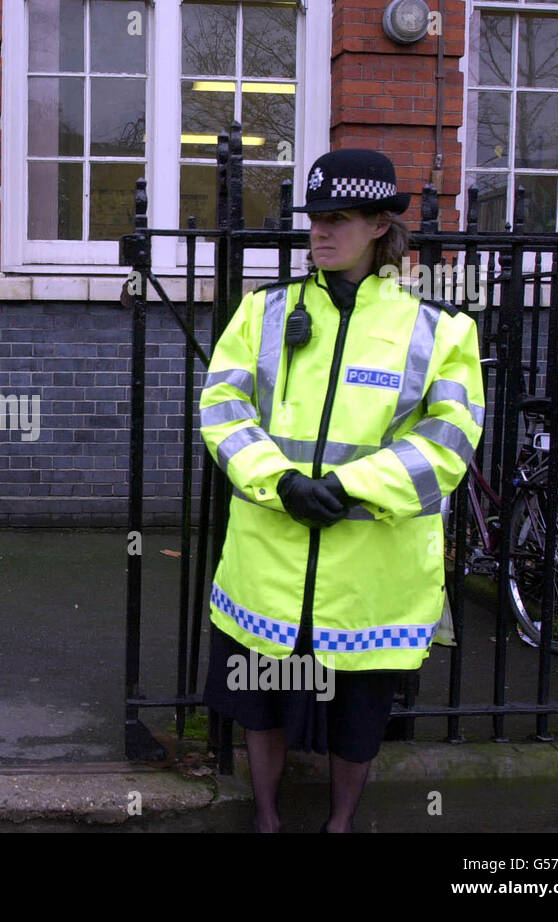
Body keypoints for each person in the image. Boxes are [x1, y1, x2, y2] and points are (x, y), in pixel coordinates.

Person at [198, 149, 485, 832]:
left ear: (382, 225)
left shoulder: (440, 327)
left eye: (340, 220)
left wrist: (350, 486)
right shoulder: (264, 312)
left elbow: (450, 439)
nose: (321, 233)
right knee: (261, 700)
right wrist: (282, 482)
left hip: (371, 570)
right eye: (315, 220)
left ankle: (339, 825)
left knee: (359, 718)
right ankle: (266, 818)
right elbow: (222, 406)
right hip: (271, 559)